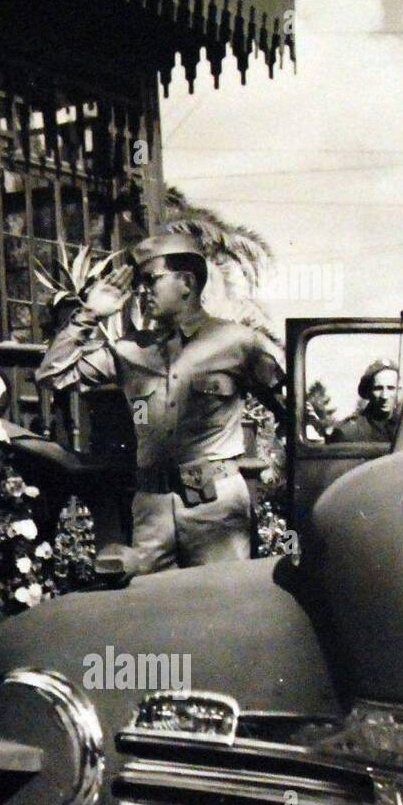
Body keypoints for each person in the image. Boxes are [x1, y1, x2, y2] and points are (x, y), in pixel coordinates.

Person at [38, 233, 285, 573]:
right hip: (152, 510)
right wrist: (89, 314)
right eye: (138, 283)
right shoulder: (130, 351)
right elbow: (53, 375)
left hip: (216, 510)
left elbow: (288, 410)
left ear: (186, 282)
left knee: (222, 608)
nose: (141, 291)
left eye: (151, 280)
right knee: (151, 614)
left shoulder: (239, 343)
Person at [328, 359, 399, 443]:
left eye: (391, 388)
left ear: (398, 390)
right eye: (378, 388)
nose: (384, 396)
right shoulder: (349, 432)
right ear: (368, 392)